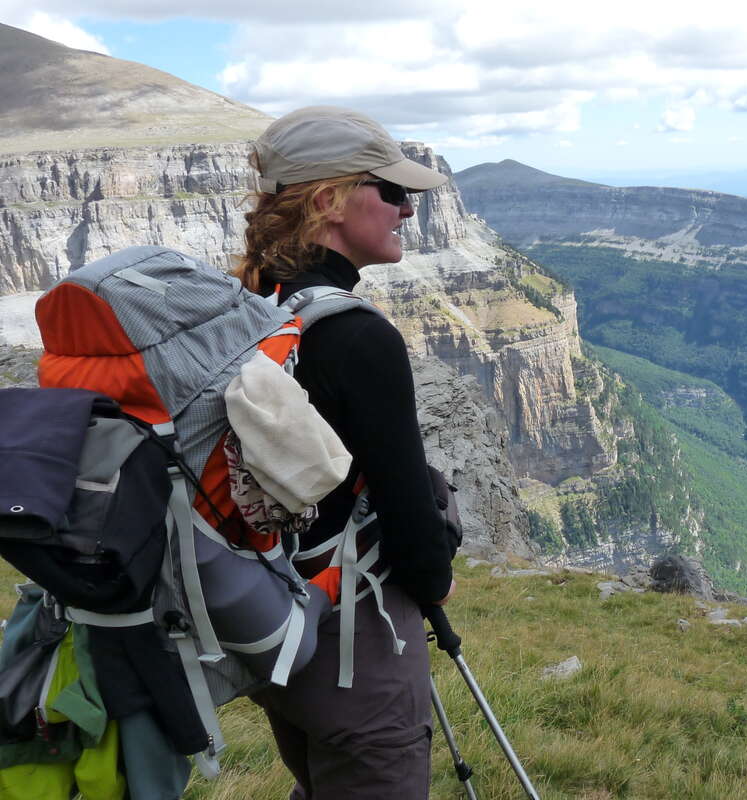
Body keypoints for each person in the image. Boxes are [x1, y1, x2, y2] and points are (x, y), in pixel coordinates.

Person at [233, 106, 456, 799]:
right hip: (358, 642)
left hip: (278, 629)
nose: (407, 210)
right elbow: (412, 533)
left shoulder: (254, 305)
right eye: (390, 192)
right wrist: (436, 579)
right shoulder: (358, 336)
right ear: (329, 200)